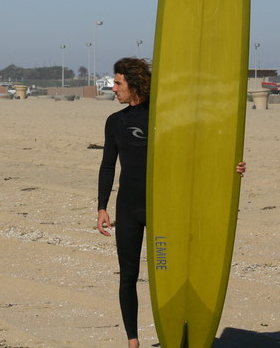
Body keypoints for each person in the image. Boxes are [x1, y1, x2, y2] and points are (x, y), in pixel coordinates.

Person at [96, 57, 246, 348]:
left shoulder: (164, 116)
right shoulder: (116, 121)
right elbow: (107, 167)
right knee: (128, 275)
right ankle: (133, 340)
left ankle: (177, 331)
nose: (113, 89)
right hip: (128, 209)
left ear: (134, 84)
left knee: (168, 274)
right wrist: (102, 206)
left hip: (164, 208)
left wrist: (232, 167)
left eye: (118, 83)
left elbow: (198, 152)